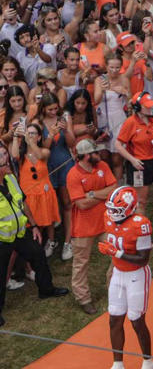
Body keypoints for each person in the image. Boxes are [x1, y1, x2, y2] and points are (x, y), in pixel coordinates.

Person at [0, 141, 68, 327]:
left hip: (21, 233)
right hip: (2, 240)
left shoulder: (11, 179)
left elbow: (23, 203)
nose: (6, 160)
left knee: (38, 255)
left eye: (5, 155)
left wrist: (35, 226)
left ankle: (46, 289)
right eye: (1, 158)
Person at [97, 186, 153, 369]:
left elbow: (143, 259)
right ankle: (118, 363)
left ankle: (147, 359)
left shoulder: (140, 224)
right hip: (119, 273)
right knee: (114, 318)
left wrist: (116, 253)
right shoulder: (108, 217)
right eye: (111, 209)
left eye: (117, 210)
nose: (112, 213)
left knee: (136, 320)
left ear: (129, 209)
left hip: (137, 274)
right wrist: (111, 251)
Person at [66, 139, 117, 314]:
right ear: (86, 156)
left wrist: (92, 194)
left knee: (117, 253)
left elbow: (114, 188)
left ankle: (114, 287)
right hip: (83, 228)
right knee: (81, 263)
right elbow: (81, 204)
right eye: (95, 153)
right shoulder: (73, 175)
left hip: (105, 223)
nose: (99, 154)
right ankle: (83, 298)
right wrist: (103, 196)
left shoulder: (102, 165)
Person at [33, 93, 76, 260]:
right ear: (43, 108)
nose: (53, 112)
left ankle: (68, 241)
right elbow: (42, 150)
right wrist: (50, 134)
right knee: (50, 205)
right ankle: (51, 240)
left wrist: (65, 130)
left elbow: (72, 143)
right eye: (50, 109)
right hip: (47, 167)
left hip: (65, 164)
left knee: (67, 203)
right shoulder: (37, 123)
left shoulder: (65, 118)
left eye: (56, 109)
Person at [10, 122, 60, 257]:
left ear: (39, 137)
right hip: (28, 195)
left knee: (43, 225)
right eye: (28, 133)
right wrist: (16, 137)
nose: (30, 136)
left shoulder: (44, 151)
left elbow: (39, 155)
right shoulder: (21, 154)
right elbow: (14, 156)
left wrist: (30, 142)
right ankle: (29, 264)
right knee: (29, 228)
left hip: (43, 193)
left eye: (33, 134)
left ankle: (47, 245)